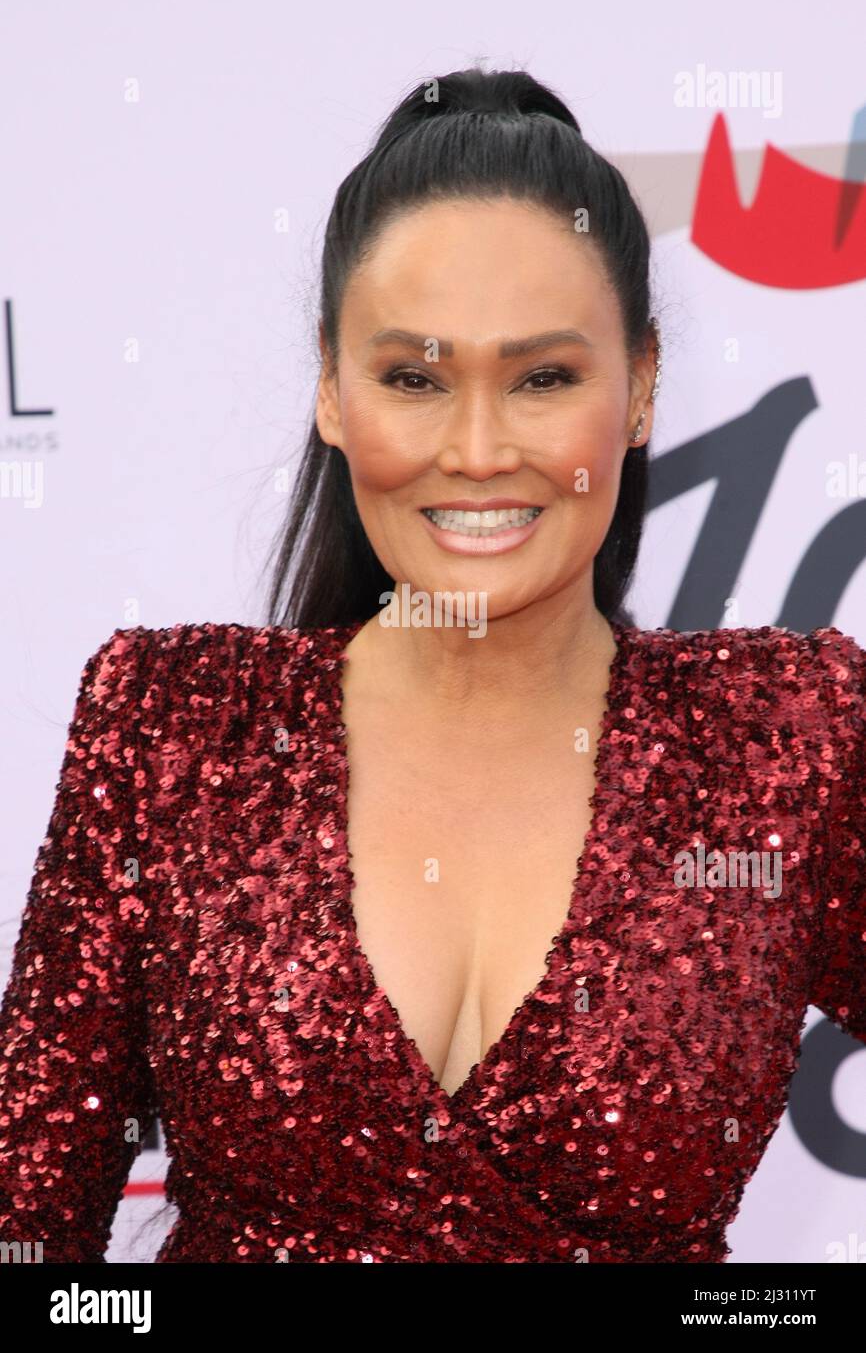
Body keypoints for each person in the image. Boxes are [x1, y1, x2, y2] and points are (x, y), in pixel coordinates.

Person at [0, 66, 864, 1264]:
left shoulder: (784, 742)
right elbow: (30, 1247)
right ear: (330, 388)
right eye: (413, 376)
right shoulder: (171, 728)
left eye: (542, 378)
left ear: (639, 387)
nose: (473, 448)